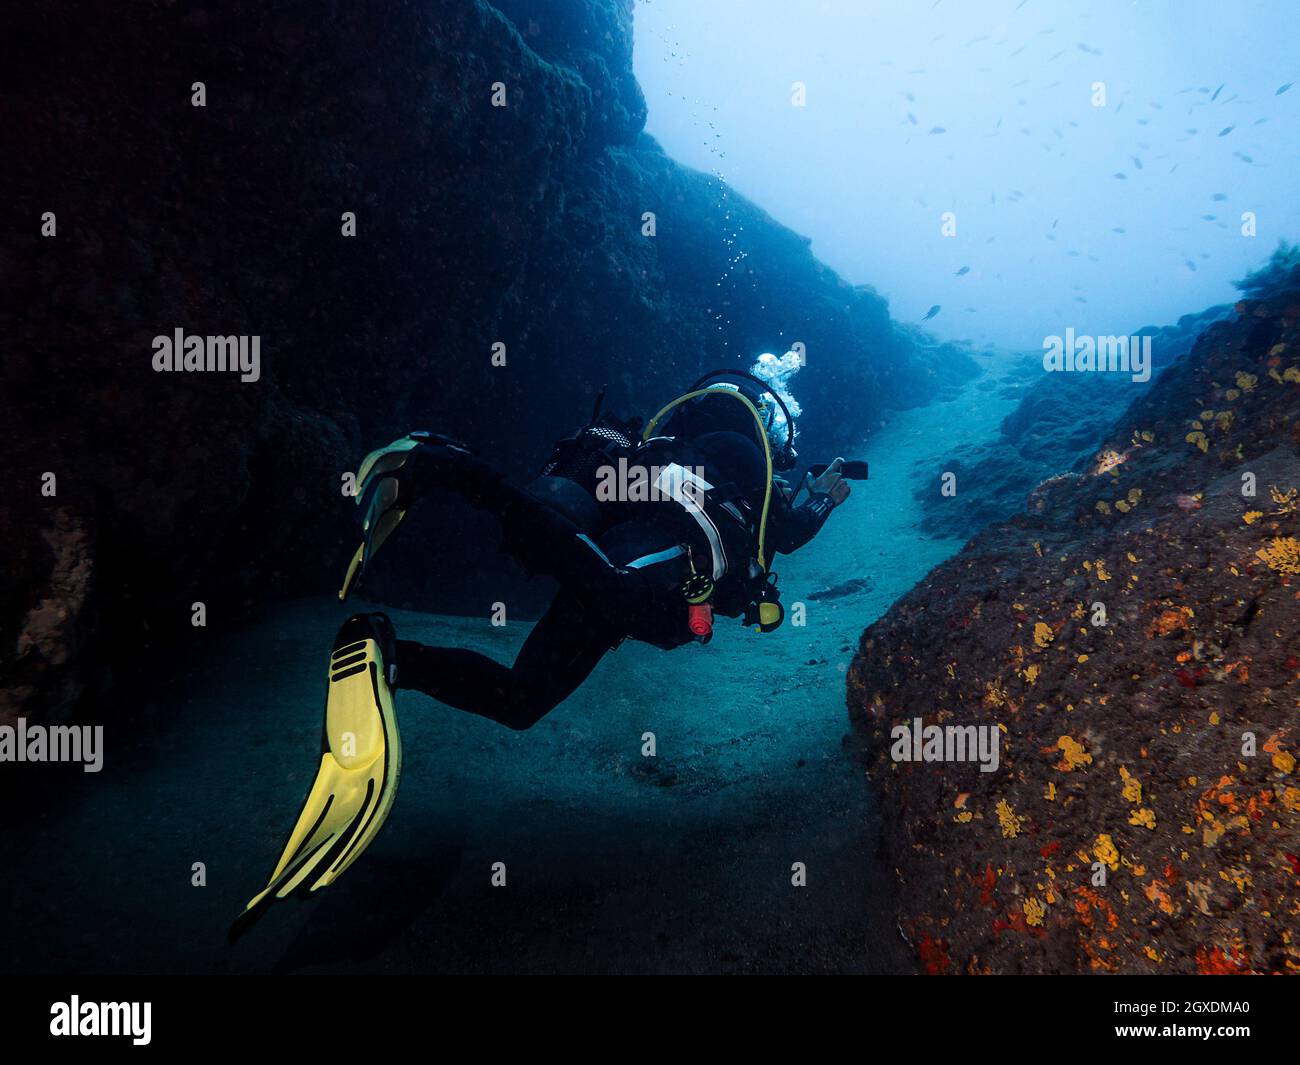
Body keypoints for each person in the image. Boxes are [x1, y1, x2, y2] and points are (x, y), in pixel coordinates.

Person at [231, 369, 851, 938]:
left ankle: (389, 656)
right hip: (643, 567)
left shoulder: (695, 451)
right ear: (770, 431)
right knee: (609, 583)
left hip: (613, 583)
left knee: (521, 700)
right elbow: (784, 533)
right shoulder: (744, 457)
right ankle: (445, 466)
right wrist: (824, 495)